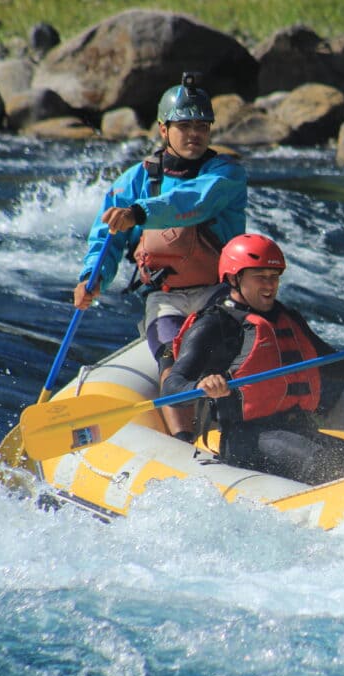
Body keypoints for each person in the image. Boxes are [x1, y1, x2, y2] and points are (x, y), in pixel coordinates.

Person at [73, 72, 247, 440]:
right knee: (171, 358)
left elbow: (194, 201)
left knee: (211, 350)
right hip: (164, 297)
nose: (194, 133)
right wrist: (93, 278)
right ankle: (184, 441)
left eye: (202, 125)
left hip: (218, 291)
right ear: (163, 130)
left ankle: (235, 429)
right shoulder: (134, 180)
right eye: (184, 125)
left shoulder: (226, 173)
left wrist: (140, 213)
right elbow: (107, 236)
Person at [163, 234, 344, 485]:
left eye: (274, 276)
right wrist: (200, 388)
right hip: (248, 439)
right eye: (260, 277)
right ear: (234, 278)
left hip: (299, 432)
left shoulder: (288, 317)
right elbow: (172, 386)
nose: (270, 285)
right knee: (325, 465)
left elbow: (337, 366)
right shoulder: (214, 324)